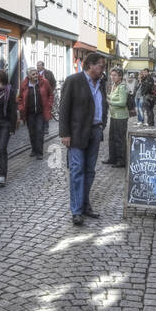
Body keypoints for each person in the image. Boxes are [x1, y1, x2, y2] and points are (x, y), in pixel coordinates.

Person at [59, 52, 107, 225]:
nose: (103, 69)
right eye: (101, 66)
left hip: (95, 131)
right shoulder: (74, 80)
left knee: (89, 171)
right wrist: (65, 133)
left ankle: (85, 204)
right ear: (90, 65)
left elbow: (103, 104)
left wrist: (103, 123)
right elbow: (64, 108)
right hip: (77, 133)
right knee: (77, 171)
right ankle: (76, 211)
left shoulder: (101, 82)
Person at [18, 66, 53, 158]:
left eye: (36, 73)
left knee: (39, 131)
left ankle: (39, 152)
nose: (36, 75)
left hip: (40, 112)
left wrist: (49, 105)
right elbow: (20, 98)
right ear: (28, 76)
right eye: (33, 74)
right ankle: (34, 149)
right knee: (32, 132)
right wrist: (21, 107)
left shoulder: (44, 82)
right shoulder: (24, 84)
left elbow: (50, 94)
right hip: (30, 113)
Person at [106, 66, 129, 168]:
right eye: (111, 75)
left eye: (115, 75)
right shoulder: (114, 85)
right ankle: (112, 158)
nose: (112, 77)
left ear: (120, 76)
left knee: (120, 138)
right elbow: (112, 97)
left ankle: (121, 160)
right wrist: (105, 96)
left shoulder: (122, 87)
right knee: (111, 138)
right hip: (113, 116)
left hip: (121, 117)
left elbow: (123, 102)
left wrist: (110, 102)